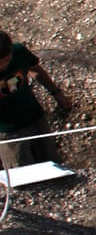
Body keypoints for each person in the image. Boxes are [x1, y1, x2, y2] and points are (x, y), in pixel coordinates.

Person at [0, 30, 71, 168]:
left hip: (36, 119)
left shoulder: (19, 52)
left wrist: (56, 92)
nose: (2, 66)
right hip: (8, 132)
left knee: (53, 165)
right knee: (22, 175)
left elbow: (35, 70)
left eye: (6, 60)